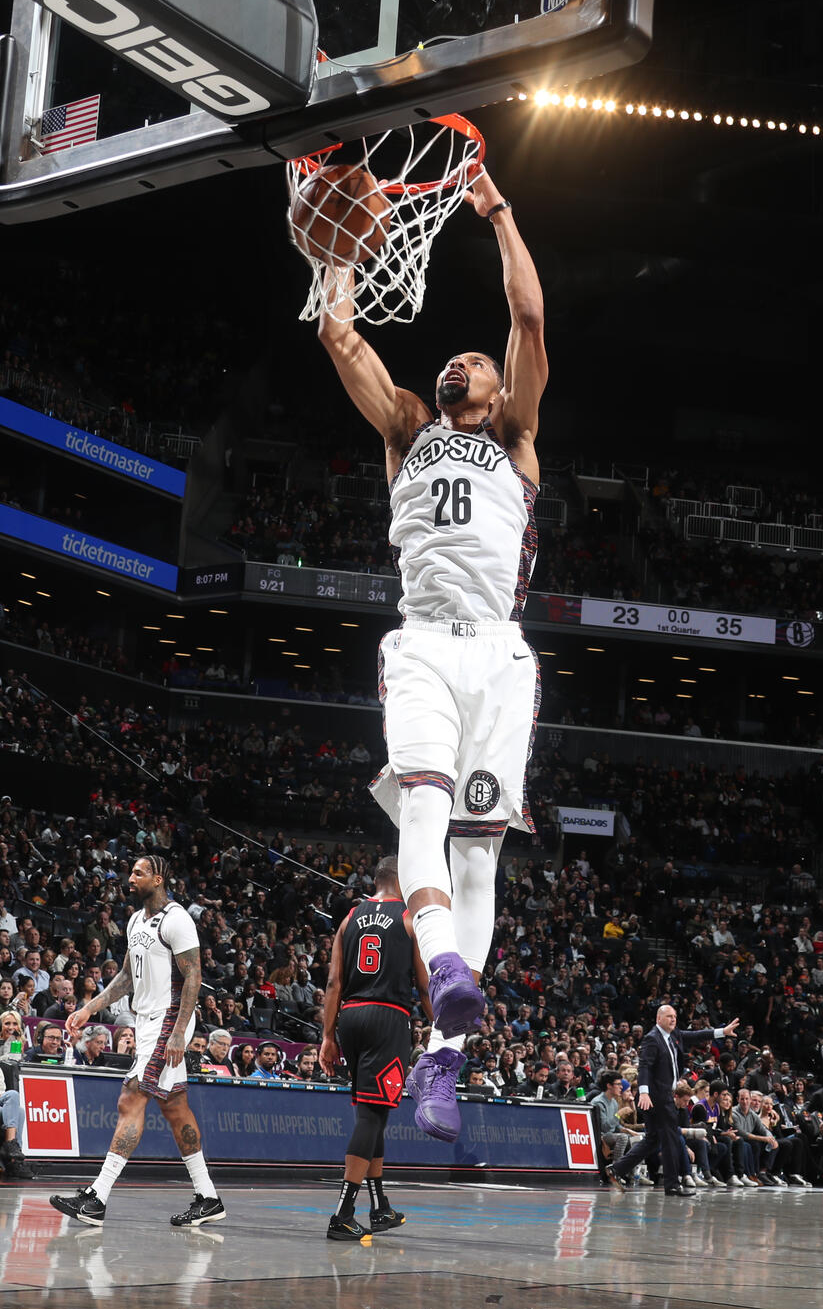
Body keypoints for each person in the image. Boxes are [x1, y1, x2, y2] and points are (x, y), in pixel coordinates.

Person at [318, 167, 547, 1146]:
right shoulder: (408, 425)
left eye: (475, 359)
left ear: (496, 389)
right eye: (450, 358)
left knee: (482, 850)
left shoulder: (520, 440)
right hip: (420, 641)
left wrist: (495, 212)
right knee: (421, 802)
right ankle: (444, 964)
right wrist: (332, 245)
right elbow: (340, 334)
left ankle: (446, 1063)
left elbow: (529, 317)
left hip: (498, 655)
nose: (462, 363)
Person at [49, 854, 225, 1228]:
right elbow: (127, 978)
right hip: (147, 1020)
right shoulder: (134, 920)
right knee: (174, 1106)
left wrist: (178, 1032)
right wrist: (88, 1009)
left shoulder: (177, 920)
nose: (130, 878)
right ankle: (208, 1196)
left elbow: (193, 977)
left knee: (131, 1097)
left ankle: (97, 1197)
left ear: (158, 879)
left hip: (168, 1019)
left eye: (138, 873)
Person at [319, 856, 431, 1242]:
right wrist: (438, 1024)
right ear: (406, 878)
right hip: (388, 1017)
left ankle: (379, 1205)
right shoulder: (409, 918)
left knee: (374, 1112)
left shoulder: (349, 919)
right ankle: (342, 1213)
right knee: (371, 1116)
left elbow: (334, 982)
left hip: (350, 1016)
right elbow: (423, 982)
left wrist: (328, 1036)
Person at [605, 1005, 739, 1196]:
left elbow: (695, 1035)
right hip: (657, 1096)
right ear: (659, 1019)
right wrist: (643, 1092)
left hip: (661, 1096)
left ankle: (616, 1169)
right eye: (669, 1016)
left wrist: (721, 1032)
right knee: (670, 1139)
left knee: (653, 1139)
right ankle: (672, 1184)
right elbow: (644, 1067)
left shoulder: (673, 1034)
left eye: (675, 1016)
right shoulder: (652, 1038)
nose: (673, 1019)